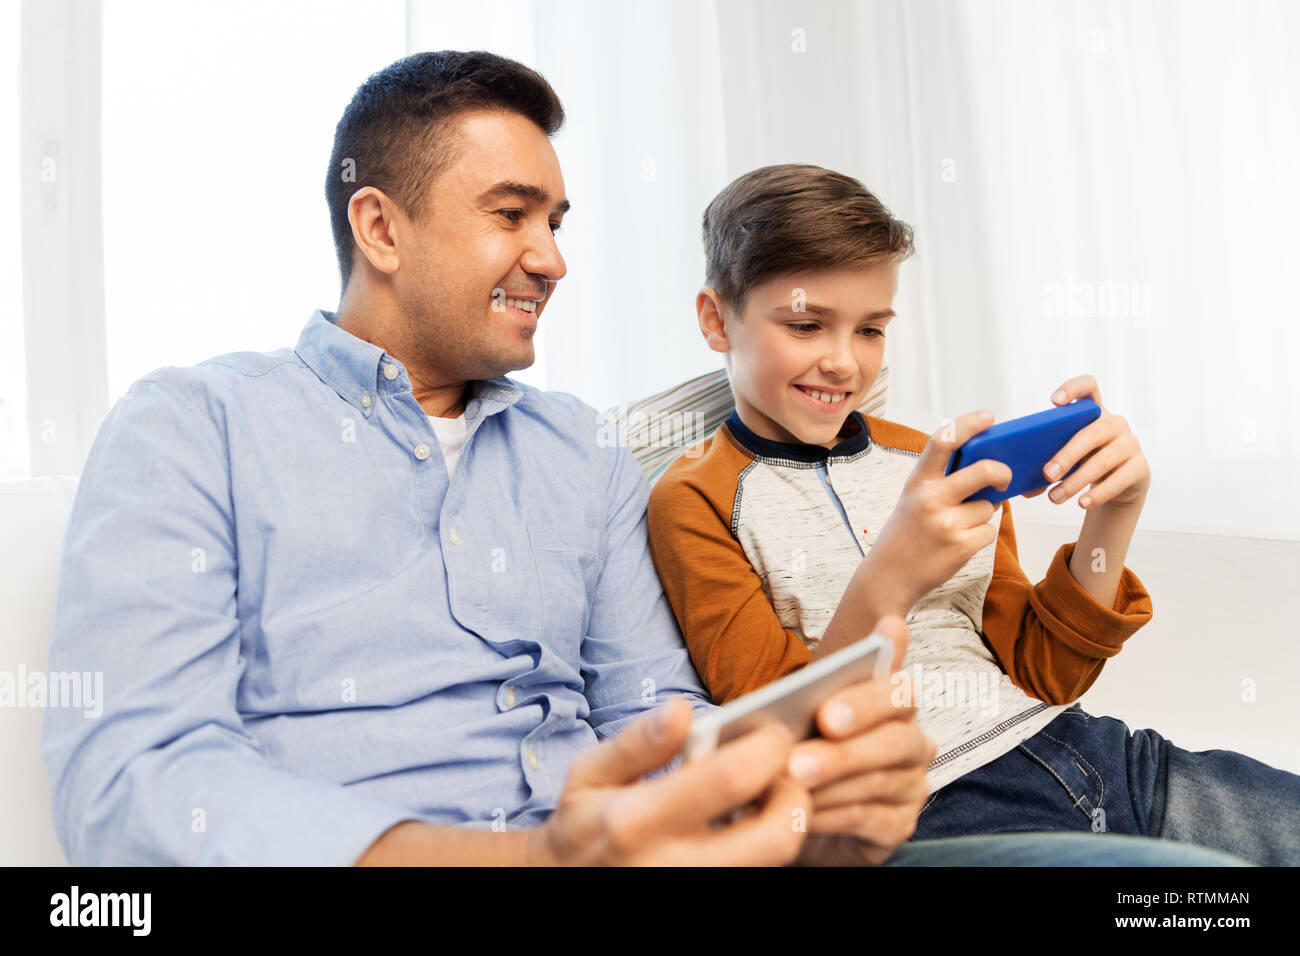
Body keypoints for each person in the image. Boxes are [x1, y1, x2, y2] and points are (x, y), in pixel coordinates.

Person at [42, 51, 1244, 868]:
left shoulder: (582, 453)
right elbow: (134, 776)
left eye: (557, 224)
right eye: (512, 214)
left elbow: (666, 716)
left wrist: (800, 804)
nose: (553, 257)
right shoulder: (193, 422)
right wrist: (536, 857)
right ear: (381, 226)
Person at [646, 162, 1299, 866]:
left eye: (870, 329)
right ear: (717, 320)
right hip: (937, 807)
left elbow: (1047, 673)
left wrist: (1114, 515)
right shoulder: (694, 498)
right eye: (806, 325)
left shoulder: (931, 458)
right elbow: (776, 736)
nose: (843, 361)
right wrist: (889, 577)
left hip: (1089, 751)